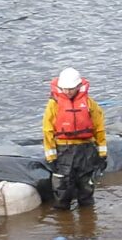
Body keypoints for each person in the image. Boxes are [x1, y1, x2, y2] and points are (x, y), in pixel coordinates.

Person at [43, 67, 108, 210]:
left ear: (78, 86)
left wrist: (102, 154)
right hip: (64, 150)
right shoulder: (54, 104)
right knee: (63, 186)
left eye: (71, 89)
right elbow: (47, 130)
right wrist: (51, 157)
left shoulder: (89, 103)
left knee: (86, 186)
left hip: (86, 150)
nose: (67, 92)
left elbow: (99, 128)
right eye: (65, 89)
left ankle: (88, 217)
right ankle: (63, 215)